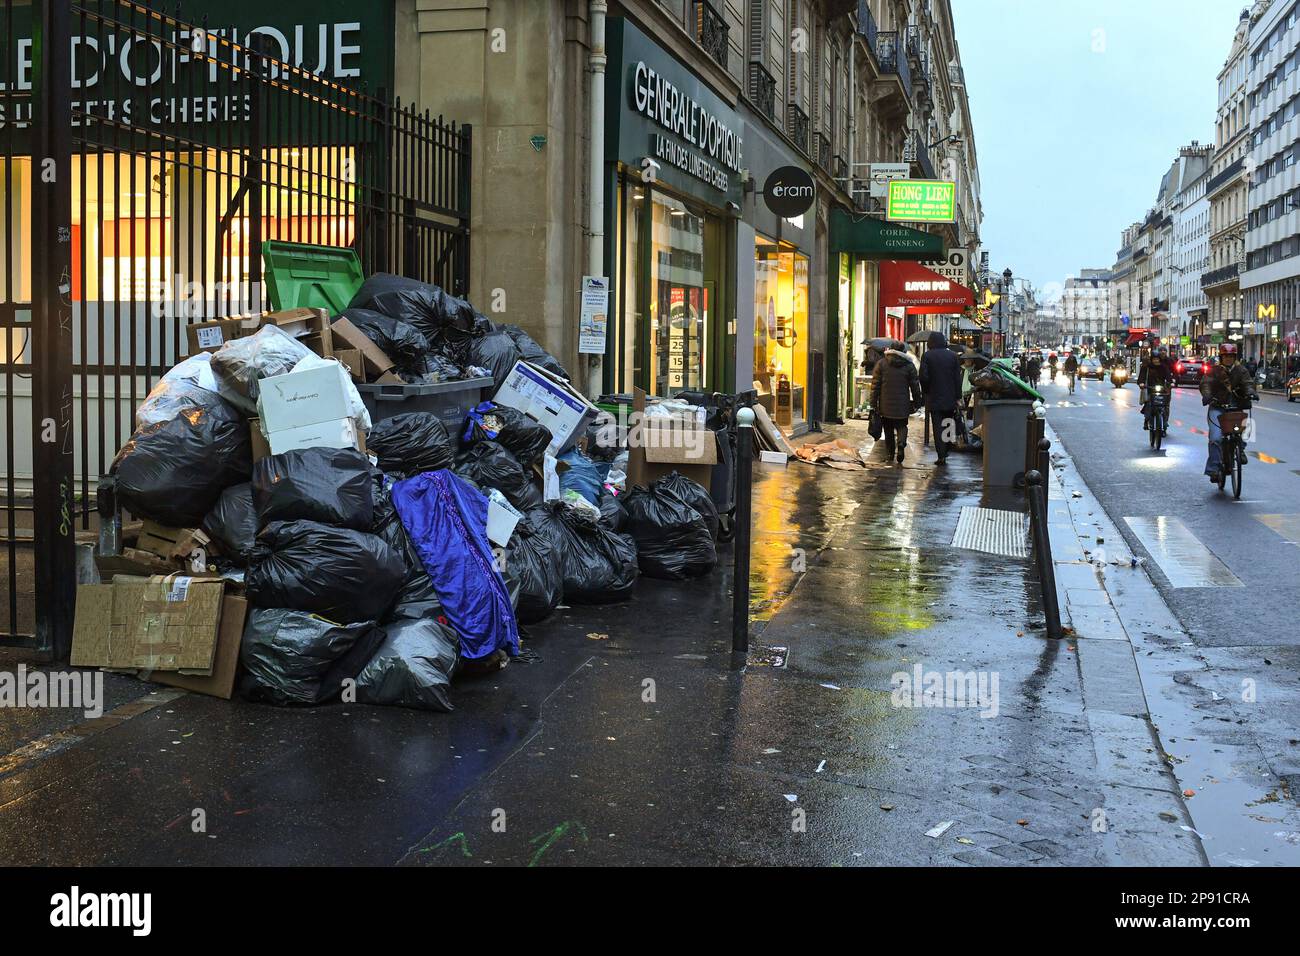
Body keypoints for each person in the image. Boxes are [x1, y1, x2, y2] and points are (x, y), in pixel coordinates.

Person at [1202, 344, 1255, 483]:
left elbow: (1248, 383)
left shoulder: (1241, 370)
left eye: (1231, 356)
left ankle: (1240, 449)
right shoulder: (1214, 370)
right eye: (1226, 356)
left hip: (1236, 407)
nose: (1228, 359)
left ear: (1235, 357)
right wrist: (1208, 395)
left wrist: (1250, 393)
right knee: (1216, 438)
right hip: (1217, 407)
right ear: (1221, 357)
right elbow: (1205, 384)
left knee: (1247, 429)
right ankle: (1213, 469)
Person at [871, 339, 923, 465]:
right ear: (903, 351)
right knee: (902, 426)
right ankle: (901, 444)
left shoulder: (881, 364)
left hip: (885, 403)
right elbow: (915, 386)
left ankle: (890, 454)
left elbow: (875, 386)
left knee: (888, 429)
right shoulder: (909, 365)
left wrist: (873, 403)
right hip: (902, 403)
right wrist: (917, 402)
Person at [919, 331, 963, 466]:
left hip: (934, 396)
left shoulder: (927, 356)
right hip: (950, 397)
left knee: (938, 426)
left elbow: (923, 376)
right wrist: (958, 396)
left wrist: (927, 390)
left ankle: (941, 455)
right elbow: (957, 378)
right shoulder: (953, 356)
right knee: (948, 424)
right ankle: (948, 448)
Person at [1138, 346, 1174, 429]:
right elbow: (1142, 376)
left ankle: (1164, 422)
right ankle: (1146, 420)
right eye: (1154, 359)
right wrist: (1141, 383)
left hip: (1162, 388)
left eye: (1157, 359)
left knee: (1165, 404)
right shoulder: (1147, 367)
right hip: (1150, 387)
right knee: (1148, 403)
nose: (1156, 361)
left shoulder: (1163, 367)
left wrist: (1170, 382)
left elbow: (1168, 376)